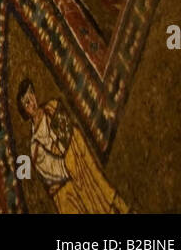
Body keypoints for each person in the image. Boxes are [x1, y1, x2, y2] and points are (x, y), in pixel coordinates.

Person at [17, 79, 130, 213]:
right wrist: (70, 165)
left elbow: (69, 128)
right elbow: (51, 170)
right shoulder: (35, 146)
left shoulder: (53, 107)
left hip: (81, 157)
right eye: (27, 103)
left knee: (102, 187)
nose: (32, 103)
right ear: (25, 111)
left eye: (31, 95)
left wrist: (72, 149)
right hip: (69, 177)